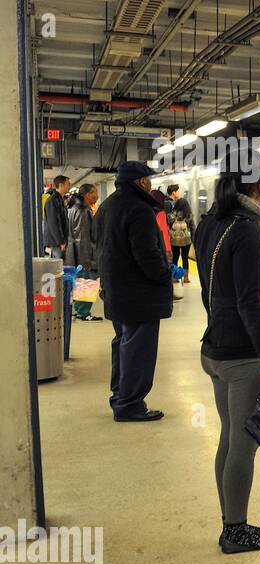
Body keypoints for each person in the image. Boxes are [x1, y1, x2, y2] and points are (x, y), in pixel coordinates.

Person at [193, 152, 260, 554]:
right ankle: (236, 530)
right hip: (243, 357)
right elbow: (252, 302)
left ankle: (229, 521)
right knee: (244, 444)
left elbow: (209, 290)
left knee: (230, 437)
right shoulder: (247, 229)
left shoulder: (210, 222)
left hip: (215, 348)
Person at [95, 161, 176, 422]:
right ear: (141, 182)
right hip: (138, 295)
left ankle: (121, 396)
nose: (151, 184)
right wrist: (165, 274)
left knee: (123, 344)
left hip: (115, 290)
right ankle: (130, 404)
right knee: (137, 349)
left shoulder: (107, 207)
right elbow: (147, 255)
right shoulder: (139, 209)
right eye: (149, 180)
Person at [67, 184, 100, 321]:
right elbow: (84, 237)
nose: (97, 195)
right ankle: (84, 312)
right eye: (94, 192)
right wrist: (87, 261)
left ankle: (79, 309)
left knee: (80, 281)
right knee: (87, 281)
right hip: (85, 254)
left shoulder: (73, 207)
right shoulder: (83, 211)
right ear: (86, 194)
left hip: (75, 253)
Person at [166, 184, 194, 283]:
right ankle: (186, 278)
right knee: (185, 258)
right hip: (186, 240)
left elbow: (169, 224)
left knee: (175, 258)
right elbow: (192, 226)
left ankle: (175, 277)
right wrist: (194, 238)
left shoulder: (172, 213)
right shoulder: (188, 215)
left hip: (174, 240)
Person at [41, 175, 71, 259]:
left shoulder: (59, 200)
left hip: (59, 241)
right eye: (68, 184)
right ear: (61, 185)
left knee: (59, 265)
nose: (69, 186)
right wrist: (60, 241)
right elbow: (54, 223)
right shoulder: (52, 201)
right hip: (55, 243)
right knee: (57, 266)